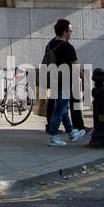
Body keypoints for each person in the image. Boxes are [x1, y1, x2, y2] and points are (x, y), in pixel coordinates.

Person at [43, 18, 88, 146]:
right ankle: (53, 136)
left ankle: (71, 131)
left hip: (52, 79)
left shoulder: (51, 44)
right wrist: (83, 77)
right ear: (64, 32)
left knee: (62, 107)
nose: (71, 32)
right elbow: (75, 65)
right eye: (70, 30)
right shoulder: (68, 47)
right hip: (64, 80)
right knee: (60, 108)